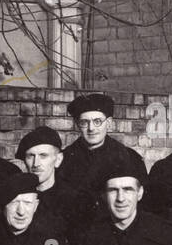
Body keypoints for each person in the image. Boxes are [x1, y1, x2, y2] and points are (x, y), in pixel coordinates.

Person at [58, 92, 147, 227]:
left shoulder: (129, 157)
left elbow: (143, 206)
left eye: (97, 121)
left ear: (109, 123)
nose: (91, 128)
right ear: (77, 125)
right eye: (84, 122)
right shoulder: (63, 160)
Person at [17, 126, 79, 232]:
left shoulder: (73, 200)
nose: (36, 164)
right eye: (31, 156)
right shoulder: (16, 197)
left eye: (43, 156)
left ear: (58, 159)